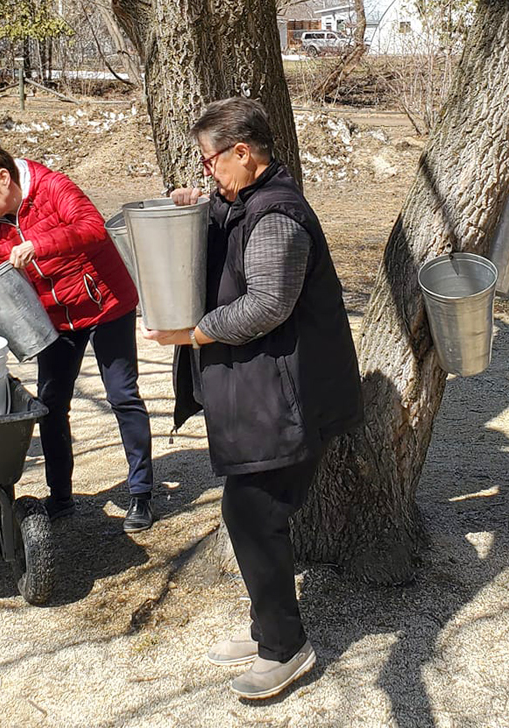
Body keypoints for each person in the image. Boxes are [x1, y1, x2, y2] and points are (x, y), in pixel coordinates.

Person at [144, 97, 362, 699]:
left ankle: (285, 648)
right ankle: (267, 623)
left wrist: (191, 334)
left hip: (288, 398)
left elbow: (267, 304)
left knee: (253, 513)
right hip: (264, 391)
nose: (207, 171)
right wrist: (199, 203)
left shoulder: (278, 219)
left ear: (243, 152)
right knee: (253, 514)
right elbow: (225, 217)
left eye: (211, 162)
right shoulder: (244, 201)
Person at [0, 141, 155, 533]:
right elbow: (14, 286)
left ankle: (141, 494)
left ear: (3, 178)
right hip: (56, 321)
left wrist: (38, 245)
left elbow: (92, 228)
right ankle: (60, 496)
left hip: (106, 303)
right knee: (49, 403)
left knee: (122, 395)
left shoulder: (52, 187)